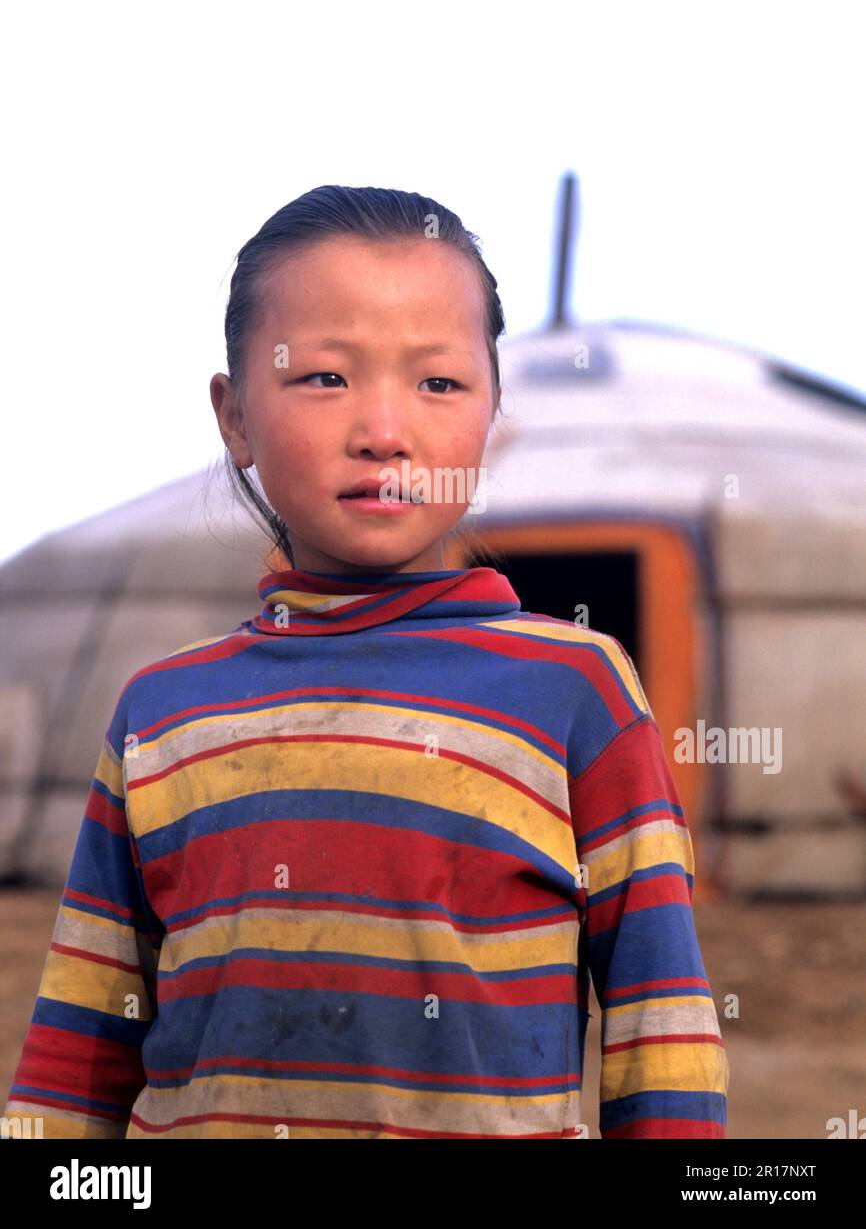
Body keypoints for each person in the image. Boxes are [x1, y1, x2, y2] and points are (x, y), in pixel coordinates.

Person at [2, 185, 729, 1139]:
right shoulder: (161, 714)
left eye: (438, 383)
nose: (384, 429)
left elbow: (659, 1025)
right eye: (324, 378)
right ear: (235, 419)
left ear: (493, 420)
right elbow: (81, 1044)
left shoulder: (573, 693)